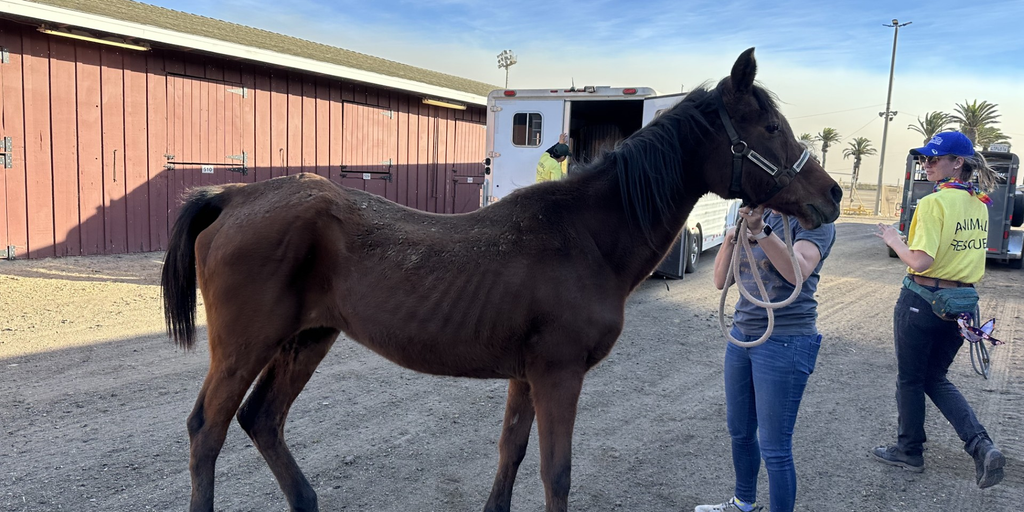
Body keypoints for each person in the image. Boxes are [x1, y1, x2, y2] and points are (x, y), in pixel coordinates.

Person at [873, 131, 1005, 488]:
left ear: (957, 163)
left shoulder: (934, 204)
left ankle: (909, 451)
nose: (926, 165)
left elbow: (921, 259)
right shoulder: (978, 203)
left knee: (911, 379)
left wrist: (893, 240)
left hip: (922, 300)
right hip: (961, 306)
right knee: (935, 377)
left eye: (934, 159)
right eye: (924, 159)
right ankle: (981, 446)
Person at [697, 205, 836, 512]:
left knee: (775, 447)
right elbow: (721, 281)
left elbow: (796, 271)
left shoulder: (813, 219)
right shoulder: (751, 215)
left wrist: (761, 231)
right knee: (741, 431)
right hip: (742, 335)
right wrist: (732, 237)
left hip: (785, 340)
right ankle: (743, 503)